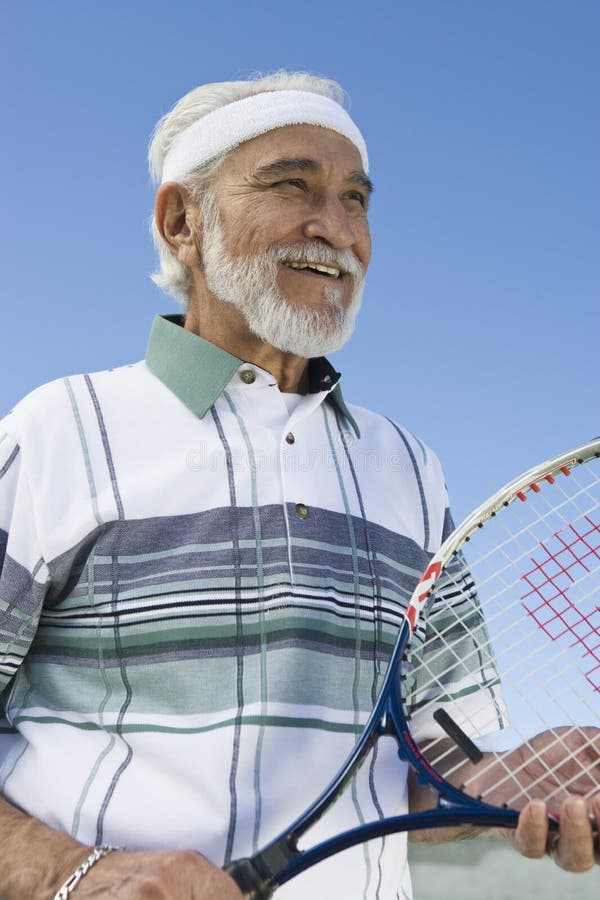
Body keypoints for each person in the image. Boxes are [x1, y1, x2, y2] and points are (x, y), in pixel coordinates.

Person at [0, 71, 597, 900]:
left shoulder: (411, 469)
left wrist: (513, 783)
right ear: (182, 223)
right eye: (293, 186)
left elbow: (434, 762)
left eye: (356, 199)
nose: (336, 228)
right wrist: (75, 873)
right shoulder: (55, 432)